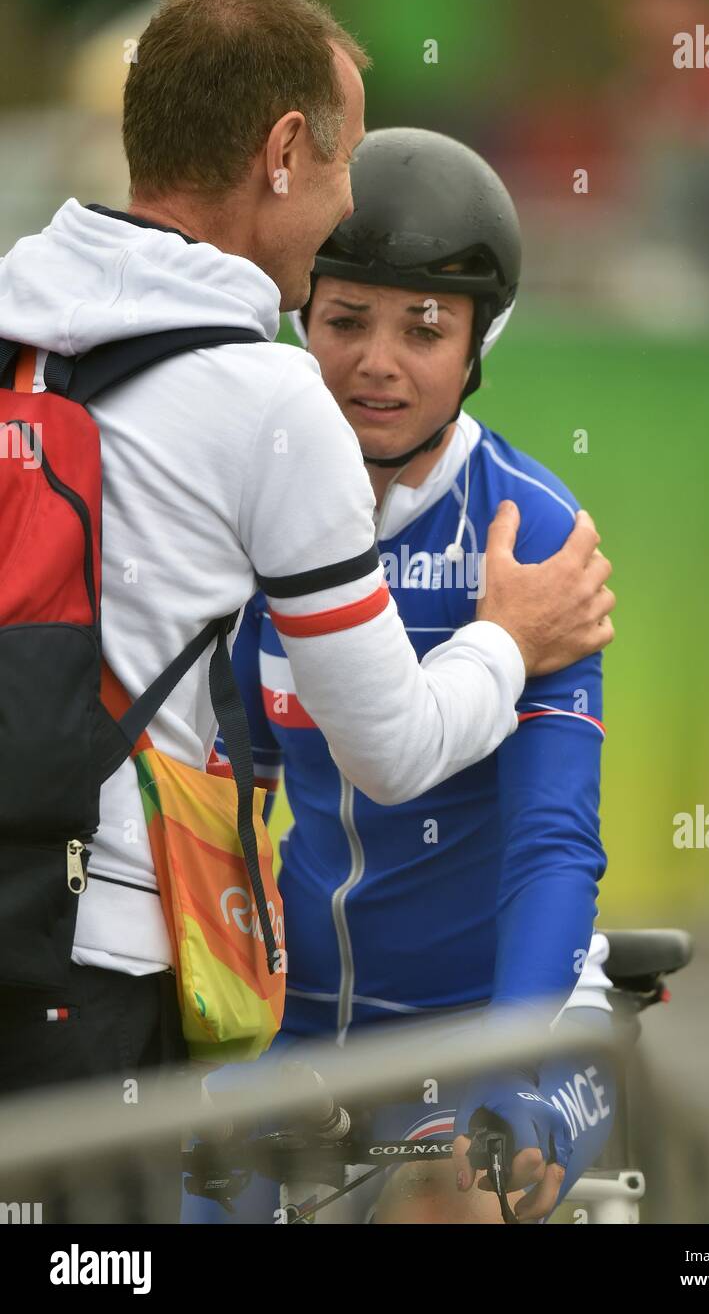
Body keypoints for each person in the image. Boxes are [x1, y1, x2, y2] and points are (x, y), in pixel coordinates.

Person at [0, 0, 613, 1128]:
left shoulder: (19, 309)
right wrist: (509, 636)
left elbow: (550, 845)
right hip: (121, 960)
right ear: (283, 152)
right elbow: (391, 748)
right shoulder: (268, 402)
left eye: (425, 327)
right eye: (340, 164)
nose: (345, 204)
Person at [191, 128, 617, 1225]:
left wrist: (510, 1064)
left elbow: (552, 843)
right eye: (345, 320)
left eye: (424, 327)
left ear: (480, 344)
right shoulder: (248, 513)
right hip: (304, 1021)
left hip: (495, 1011)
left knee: (450, 1200)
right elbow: (215, 805)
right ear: (302, 319)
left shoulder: (529, 532)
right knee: (197, 1199)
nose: (377, 359)